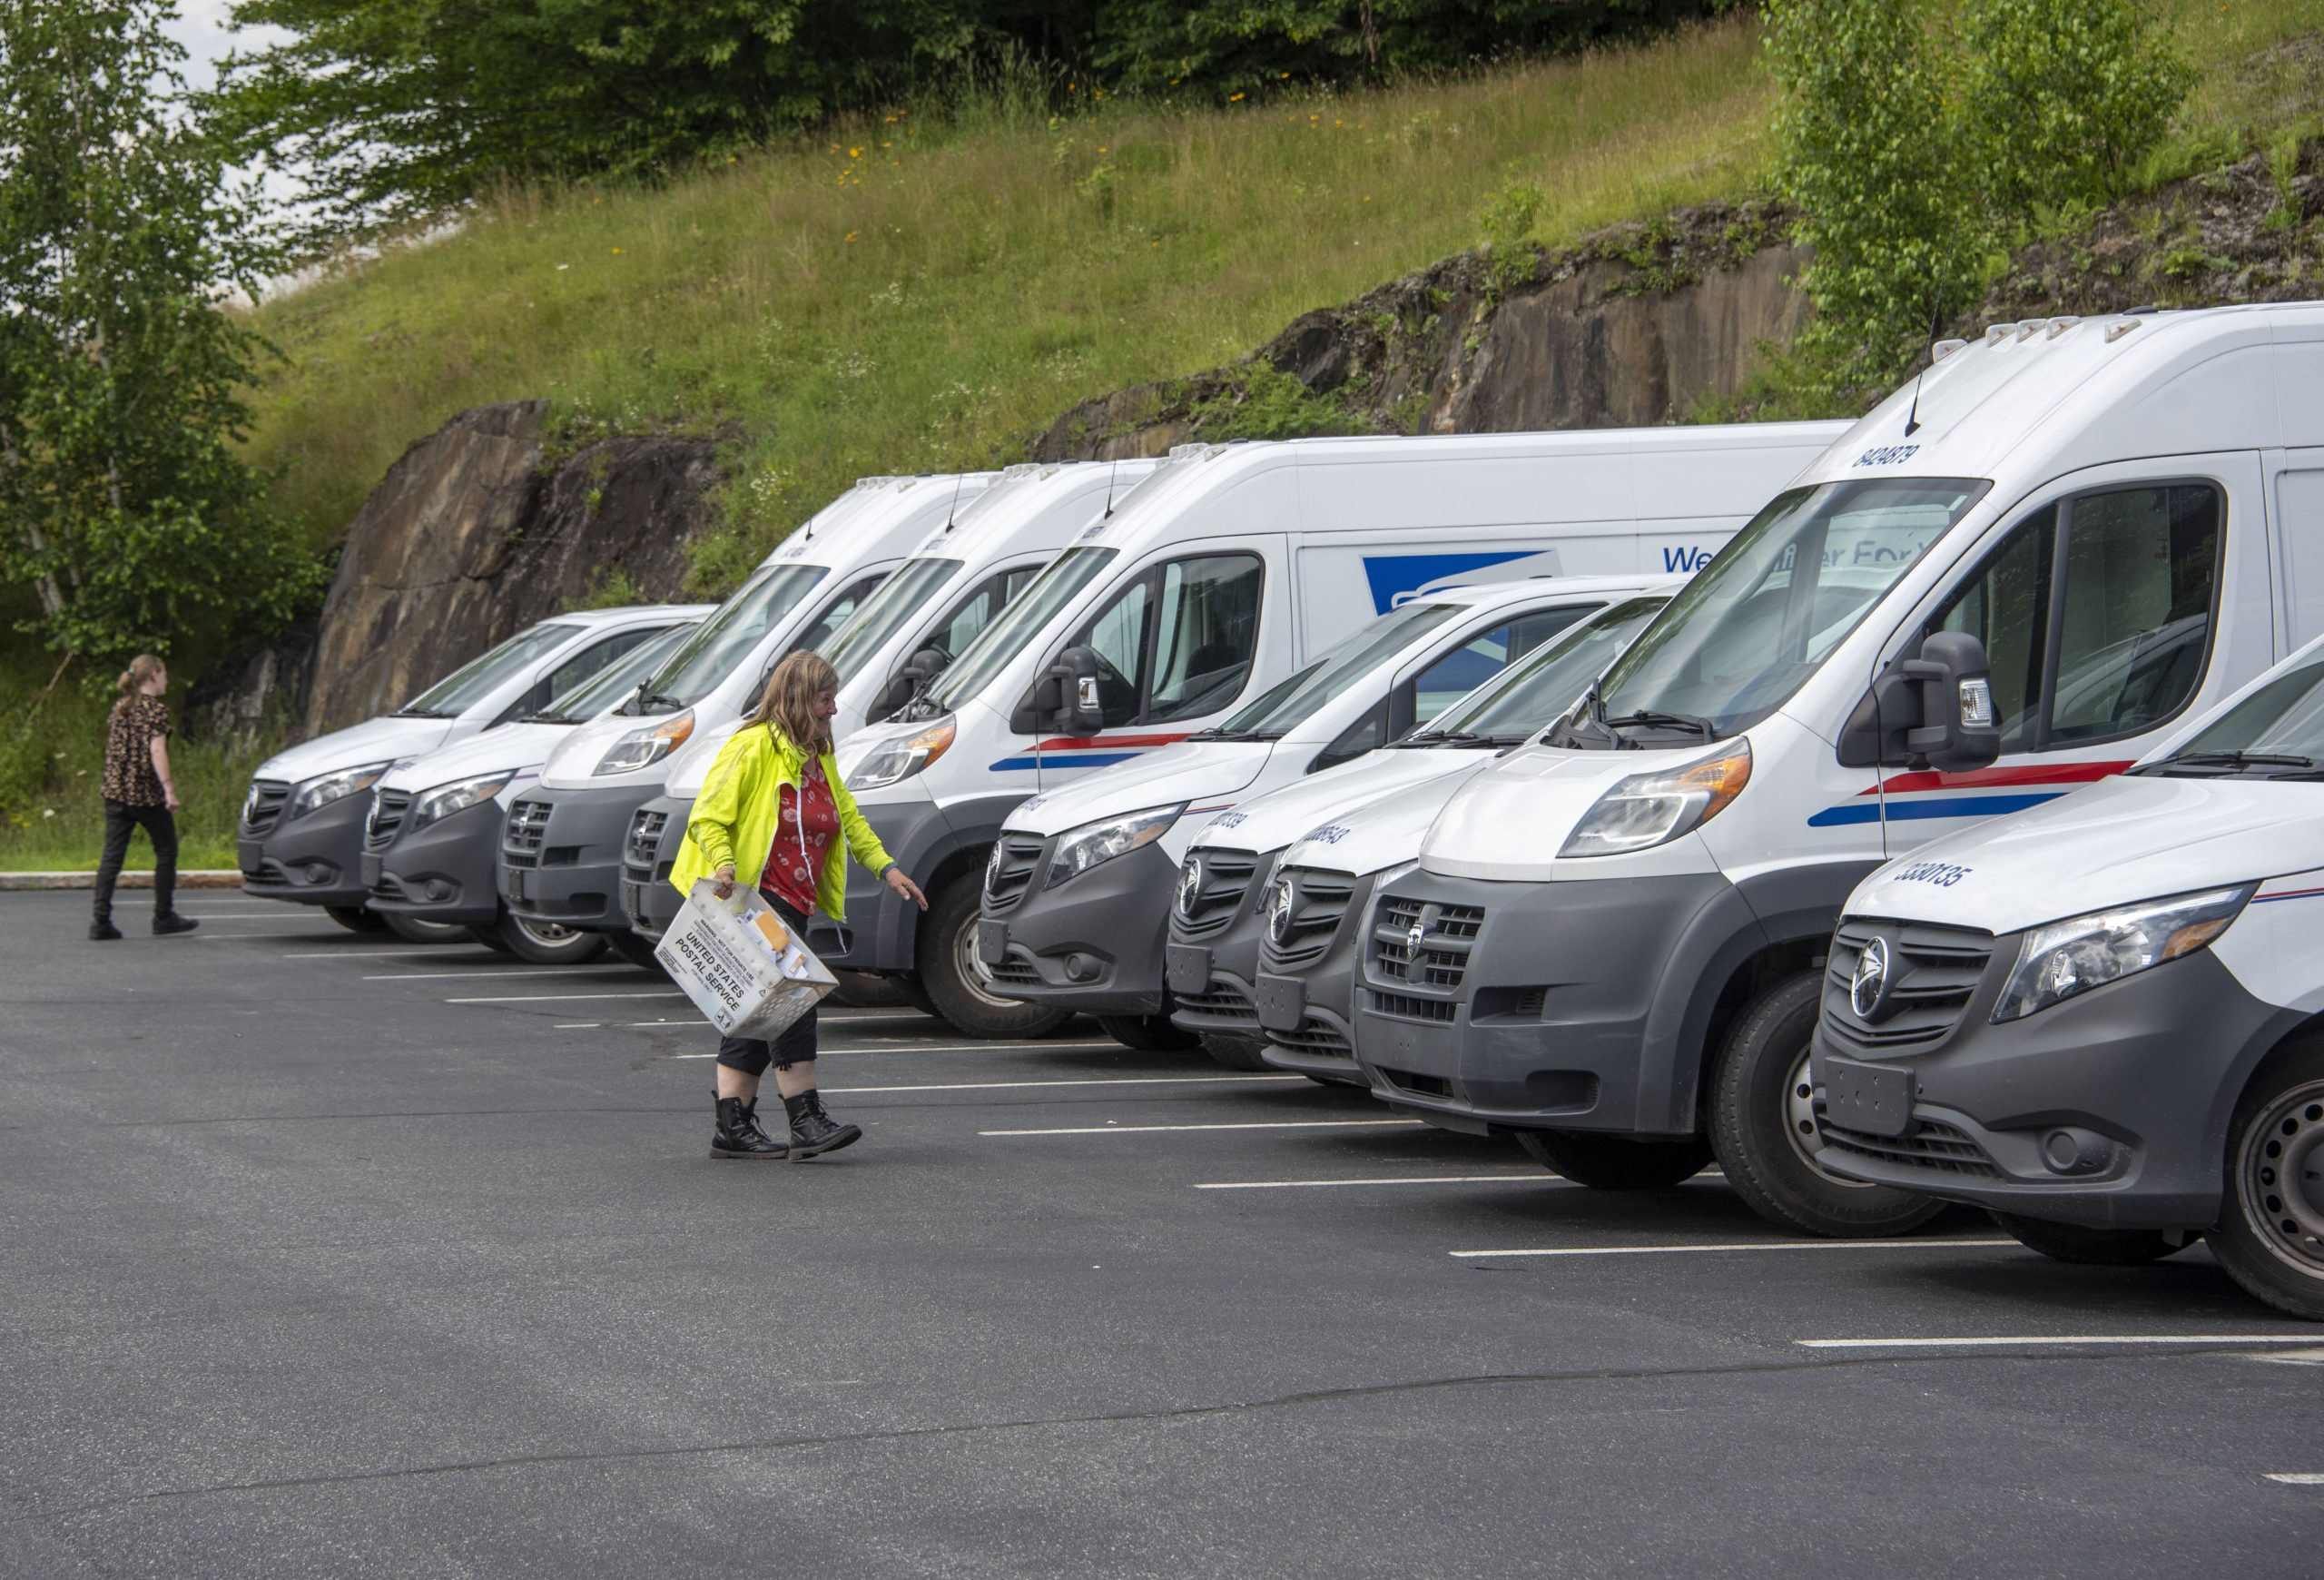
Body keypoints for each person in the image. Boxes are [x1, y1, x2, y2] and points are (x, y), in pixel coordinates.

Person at [668, 650, 927, 1160]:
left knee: (759, 1011)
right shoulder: (751, 748)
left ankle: (732, 1126)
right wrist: (723, 865)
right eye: (824, 699)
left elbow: (847, 819)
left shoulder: (817, 753)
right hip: (753, 899)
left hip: (796, 900)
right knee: (792, 1002)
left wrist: (887, 868)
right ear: (796, 699)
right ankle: (805, 1120)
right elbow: (707, 817)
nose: (833, 709)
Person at [93, 655, 198, 942]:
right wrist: (169, 790)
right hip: (145, 795)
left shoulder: (120, 709)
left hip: (115, 793)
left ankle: (100, 920)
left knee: (111, 856)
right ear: (153, 676)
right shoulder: (155, 712)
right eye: (163, 674)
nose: (166, 679)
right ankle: (163, 916)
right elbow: (157, 752)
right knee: (166, 850)